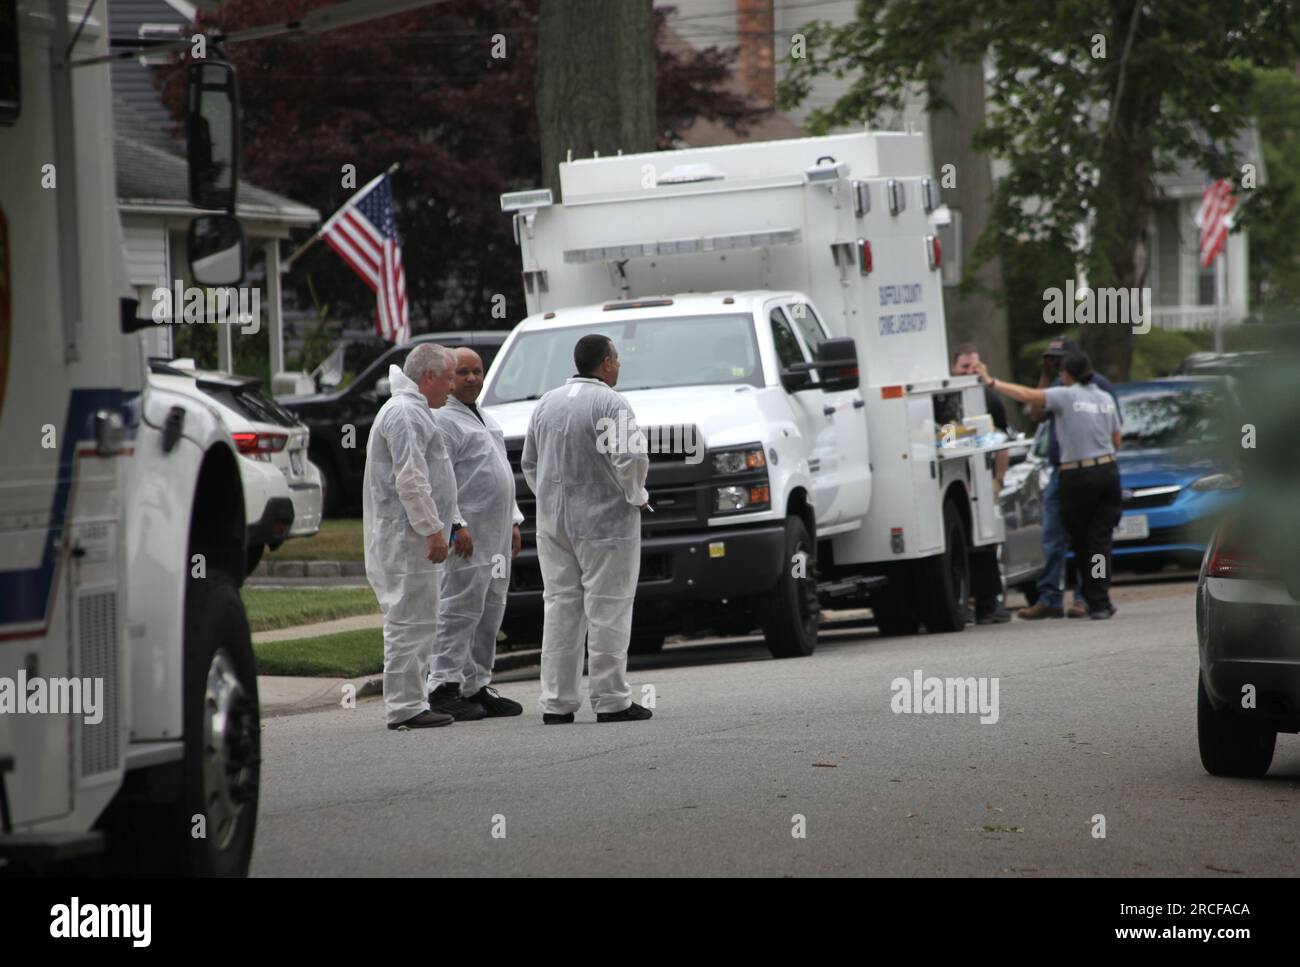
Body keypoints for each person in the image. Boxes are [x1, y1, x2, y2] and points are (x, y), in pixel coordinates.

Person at [522, 334, 652, 724]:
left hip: (554, 524)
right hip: (605, 525)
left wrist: (548, 498)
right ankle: (611, 699)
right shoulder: (611, 402)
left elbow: (530, 463)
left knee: (561, 607)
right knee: (608, 607)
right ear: (607, 362)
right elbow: (632, 457)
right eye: (617, 358)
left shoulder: (546, 404)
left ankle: (556, 703)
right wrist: (635, 495)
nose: (619, 365)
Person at [363, 343, 473, 730]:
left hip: (412, 535)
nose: (452, 387)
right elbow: (410, 479)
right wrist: (432, 531)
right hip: (406, 538)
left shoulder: (416, 411)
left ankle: (413, 701)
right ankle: (405, 706)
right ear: (428, 376)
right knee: (408, 620)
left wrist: (451, 522)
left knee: (419, 619)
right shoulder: (406, 414)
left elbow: (436, 476)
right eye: (448, 378)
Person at [978, 349, 1123, 620]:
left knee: (1080, 543)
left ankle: (1092, 598)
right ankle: (1100, 599)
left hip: (1077, 477)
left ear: (1066, 375)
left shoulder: (1065, 395)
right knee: (1100, 543)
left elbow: (1027, 396)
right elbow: (1117, 440)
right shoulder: (1105, 398)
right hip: (1107, 472)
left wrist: (991, 382)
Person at [428, 348, 526, 720]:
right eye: (463, 373)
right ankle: (443, 686)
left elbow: (501, 473)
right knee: (459, 609)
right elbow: (441, 479)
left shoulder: (486, 419)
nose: (472, 379)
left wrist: (514, 521)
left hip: (497, 534)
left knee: (490, 610)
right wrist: (454, 524)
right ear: (448, 379)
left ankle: (476, 685)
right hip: (468, 536)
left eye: (477, 371)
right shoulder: (443, 422)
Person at [1020, 338, 1119, 619]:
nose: (1055, 363)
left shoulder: (1099, 387)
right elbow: (1037, 414)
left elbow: (1114, 434)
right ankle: (1049, 596)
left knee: (1093, 542)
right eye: (1050, 358)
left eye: (1059, 358)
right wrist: (1045, 376)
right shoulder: (1056, 387)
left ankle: (1087, 596)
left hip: (1091, 472)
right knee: (1054, 537)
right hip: (1061, 473)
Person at [950, 343, 1012, 625]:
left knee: (987, 542)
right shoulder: (945, 398)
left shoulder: (990, 399)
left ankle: (989, 605)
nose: (970, 371)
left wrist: (998, 480)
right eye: (964, 367)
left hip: (984, 479)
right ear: (953, 368)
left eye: (975, 366)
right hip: (955, 480)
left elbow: (1002, 443)